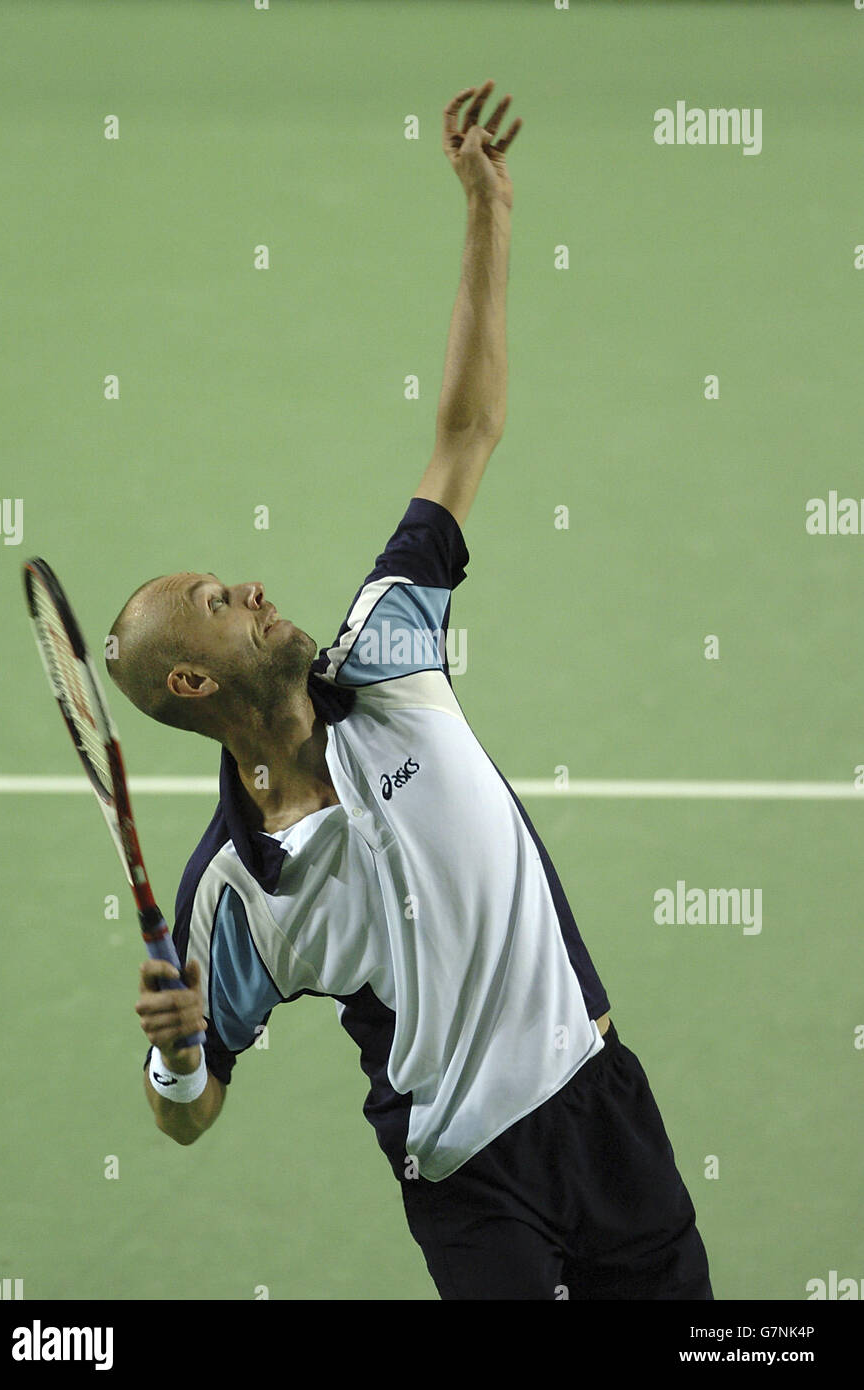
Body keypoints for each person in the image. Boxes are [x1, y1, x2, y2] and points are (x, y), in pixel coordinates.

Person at [110, 81, 713, 1300]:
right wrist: (176, 1063)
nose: (255, 589)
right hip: (468, 1186)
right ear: (190, 678)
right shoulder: (230, 898)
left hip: (601, 1109)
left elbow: (467, 430)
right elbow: (191, 1109)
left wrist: (488, 211)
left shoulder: (385, 652)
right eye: (223, 599)